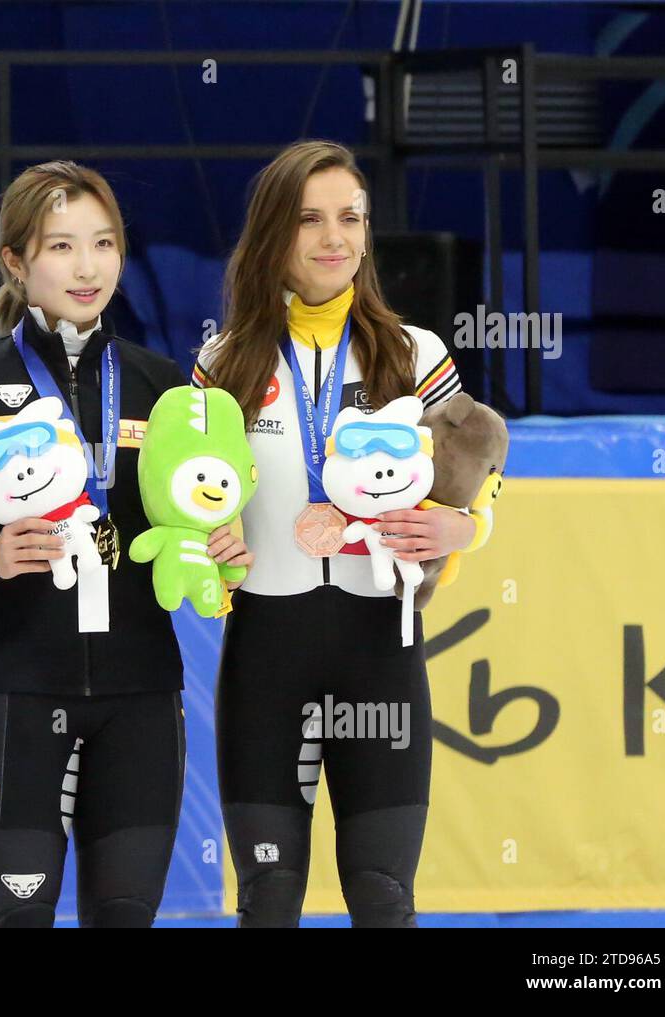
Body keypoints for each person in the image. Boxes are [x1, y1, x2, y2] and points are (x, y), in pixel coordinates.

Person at [0, 160, 253, 927]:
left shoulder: (164, 386)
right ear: (16, 262)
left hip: (141, 701)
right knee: (13, 917)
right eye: (61, 247)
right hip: (16, 696)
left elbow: (203, 504)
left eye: (103, 243)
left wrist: (225, 539)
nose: (87, 266)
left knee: (124, 916)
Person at [193, 140, 481, 928]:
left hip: (379, 654)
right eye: (309, 218)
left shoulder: (414, 354)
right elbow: (188, 505)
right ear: (273, 235)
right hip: (264, 661)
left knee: (384, 900)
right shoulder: (224, 364)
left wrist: (464, 526)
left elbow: (479, 474)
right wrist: (206, 544)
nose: (333, 238)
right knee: (268, 900)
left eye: (349, 218)